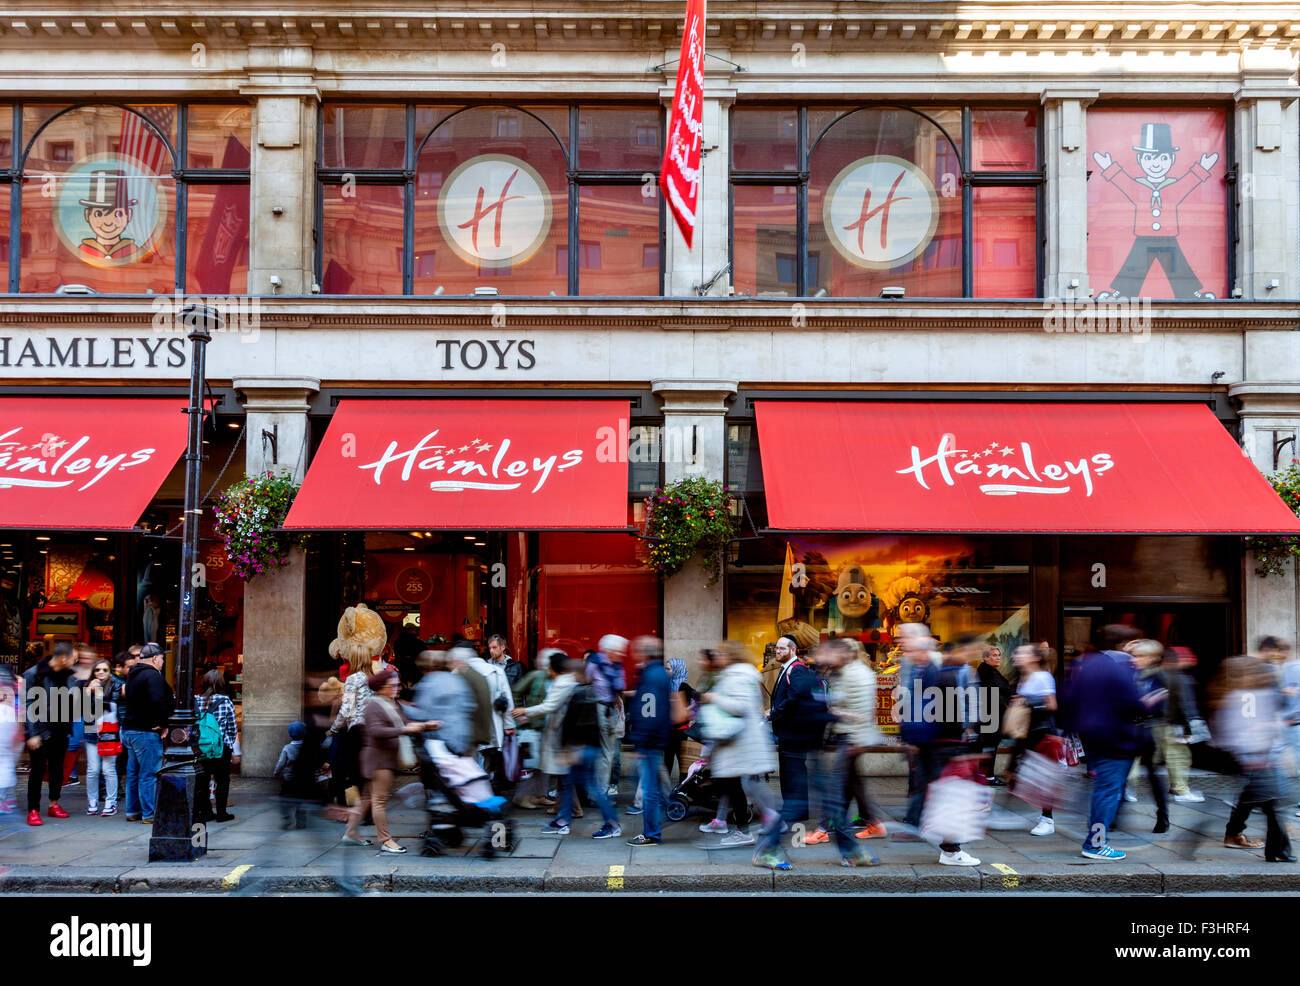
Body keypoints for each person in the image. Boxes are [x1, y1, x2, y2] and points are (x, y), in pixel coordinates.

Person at [1061, 624, 1144, 861]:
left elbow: (1069, 698)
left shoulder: (1086, 663)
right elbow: (1133, 701)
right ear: (1123, 644)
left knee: (1104, 790)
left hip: (1092, 737)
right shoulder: (1121, 665)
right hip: (1116, 739)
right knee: (1108, 792)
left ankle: (1097, 832)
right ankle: (1095, 843)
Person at [342, 668, 437, 854]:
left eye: (397, 684)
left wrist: (425, 725)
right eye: (392, 685)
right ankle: (385, 840)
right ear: (381, 687)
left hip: (383, 758)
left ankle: (351, 832)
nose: (397, 688)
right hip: (378, 760)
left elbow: (405, 723)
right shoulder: (373, 705)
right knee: (379, 801)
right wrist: (406, 730)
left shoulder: (390, 703)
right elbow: (377, 731)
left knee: (368, 798)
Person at [1213, 643, 1294, 861]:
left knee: (1259, 800)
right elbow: (1233, 730)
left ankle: (1268, 847)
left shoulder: (1255, 695)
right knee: (1272, 805)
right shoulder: (1243, 697)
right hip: (1253, 759)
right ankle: (1278, 850)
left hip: (1262, 758)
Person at [915, 635, 983, 866]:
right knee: (953, 797)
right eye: (971, 649)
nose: (973, 654)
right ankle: (951, 851)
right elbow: (952, 715)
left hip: (940, 743)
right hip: (947, 744)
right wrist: (966, 741)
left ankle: (949, 847)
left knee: (948, 795)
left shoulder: (939, 672)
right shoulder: (951, 675)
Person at [698, 642, 772, 851]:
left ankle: (747, 830)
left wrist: (714, 697)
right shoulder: (738, 674)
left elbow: (740, 706)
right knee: (733, 786)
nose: (718, 657)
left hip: (738, 742)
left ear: (730, 655)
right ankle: (744, 828)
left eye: (721, 653)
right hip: (736, 742)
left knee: (732, 785)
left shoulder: (739, 675)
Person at [548, 656, 621, 839]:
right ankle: (563, 820)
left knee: (591, 787)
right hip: (584, 748)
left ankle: (611, 824)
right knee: (569, 783)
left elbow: (574, 724)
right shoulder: (590, 692)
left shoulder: (581, 693)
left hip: (581, 749)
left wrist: (569, 747)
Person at [512, 650, 580, 828]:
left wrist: (525, 711)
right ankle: (565, 814)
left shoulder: (563, 683)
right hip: (558, 735)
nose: (547, 669)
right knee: (563, 779)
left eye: (549, 666)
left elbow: (549, 706)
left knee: (565, 780)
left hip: (560, 736)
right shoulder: (564, 681)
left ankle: (564, 819)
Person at [22, 642, 82, 826]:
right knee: (38, 770)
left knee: (57, 768)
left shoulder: (70, 676)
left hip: (61, 729)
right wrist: (32, 734)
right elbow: (29, 705)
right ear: (63, 658)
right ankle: (33, 809)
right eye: (74, 658)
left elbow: (75, 703)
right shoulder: (33, 674)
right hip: (40, 730)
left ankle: (53, 803)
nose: (76, 662)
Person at [1007, 643, 1059, 836]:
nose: (1017, 656)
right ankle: (1042, 814)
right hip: (1026, 731)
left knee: (1043, 777)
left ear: (1035, 658)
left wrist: (1026, 703)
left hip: (1042, 732)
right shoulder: (1024, 678)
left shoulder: (1042, 676)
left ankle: (1047, 819)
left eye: (1023, 653)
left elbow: (1051, 705)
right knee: (1018, 773)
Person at [121, 642, 174, 824]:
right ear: (154, 658)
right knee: (148, 774)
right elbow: (157, 701)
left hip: (129, 729)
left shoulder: (133, 674)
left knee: (134, 773)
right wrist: (163, 724)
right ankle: (149, 813)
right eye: (162, 659)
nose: (162, 662)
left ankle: (132, 811)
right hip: (145, 731)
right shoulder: (153, 675)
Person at [625, 636, 671, 847]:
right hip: (652, 740)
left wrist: (641, 741)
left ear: (644, 653)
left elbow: (649, 710)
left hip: (648, 742)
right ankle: (657, 824)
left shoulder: (652, 675)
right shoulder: (657, 673)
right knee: (653, 788)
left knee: (650, 791)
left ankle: (651, 834)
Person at [1124, 639, 1171, 834]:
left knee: (1154, 775)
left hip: (1152, 730)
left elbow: (1149, 702)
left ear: (1153, 658)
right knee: (1123, 771)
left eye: (1140, 656)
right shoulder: (1134, 673)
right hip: (1134, 728)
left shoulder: (1159, 676)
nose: (1135, 660)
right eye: (1134, 656)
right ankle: (1113, 817)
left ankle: (1163, 817)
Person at [462, 643, 515, 788]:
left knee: (471, 760)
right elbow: (507, 700)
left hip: (468, 726)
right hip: (492, 724)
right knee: (487, 758)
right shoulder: (496, 671)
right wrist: (509, 725)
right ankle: (484, 789)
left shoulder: (459, 671)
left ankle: (476, 792)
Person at [1161, 646, 1205, 803]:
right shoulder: (1180, 678)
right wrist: (1194, 729)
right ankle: (1180, 790)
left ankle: (1177, 787)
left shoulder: (1159, 675)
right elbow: (1187, 706)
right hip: (1174, 725)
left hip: (1162, 723)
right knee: (1179, 757)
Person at [194, 669, 238, 823]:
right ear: (221, 683)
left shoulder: (197, 700)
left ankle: (206, 812)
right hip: (221, 747)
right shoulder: (226, 702)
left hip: (202, 746)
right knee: (222, 779)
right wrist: (229, 743)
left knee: (203, 779)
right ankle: (221, 812)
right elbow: (232, 727)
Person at [588, 635, 627, 800]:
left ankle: (598, 791)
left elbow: (621, 689)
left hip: (610, 710)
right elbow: (587, 683)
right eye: (618, 651)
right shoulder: (595, 664)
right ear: (609, 650)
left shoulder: (617, 666)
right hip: (598, 710)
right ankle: (598, 793)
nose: (621, 654)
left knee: (607, 754)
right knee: (604, 753)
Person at [83, 657, 122, 816]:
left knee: (108, 769)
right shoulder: (88, 686)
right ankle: (92, 801)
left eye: (104, 670)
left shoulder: (116, 685)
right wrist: (87, 693)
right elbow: (84, 710)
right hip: (92, 729)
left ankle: (110, 802)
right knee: (93, 769)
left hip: (109, 731)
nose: (100, 673)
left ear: (109, 671)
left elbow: (110, 707)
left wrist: (97, 693)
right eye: (97, 670)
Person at [975, 643, 1011, 786]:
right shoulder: (987, 673)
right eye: (994, 655)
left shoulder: (990, 672)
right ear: (985, 658)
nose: (998, 658)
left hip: (991, 716)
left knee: (989, 748)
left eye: (998, 655)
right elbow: (995, 695)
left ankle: (986, 775)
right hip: (990, 717)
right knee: (989, 748)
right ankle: (987, 776)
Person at [274, 721, 306, 828]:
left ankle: (287, 818)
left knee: (284, 799)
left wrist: (276, 772)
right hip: (302, 779)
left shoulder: (287, 748)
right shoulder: (306, 748)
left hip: (288, 780)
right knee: (301, 800)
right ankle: (301, 821)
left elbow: (281, 763)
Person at [0, 666, 21, 814]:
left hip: (11, 731)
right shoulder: (16, 687)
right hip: (12, 732)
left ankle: (6, 797)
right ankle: (6, 798)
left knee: (7, 765)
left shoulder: (17, 687)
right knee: (7, 765)